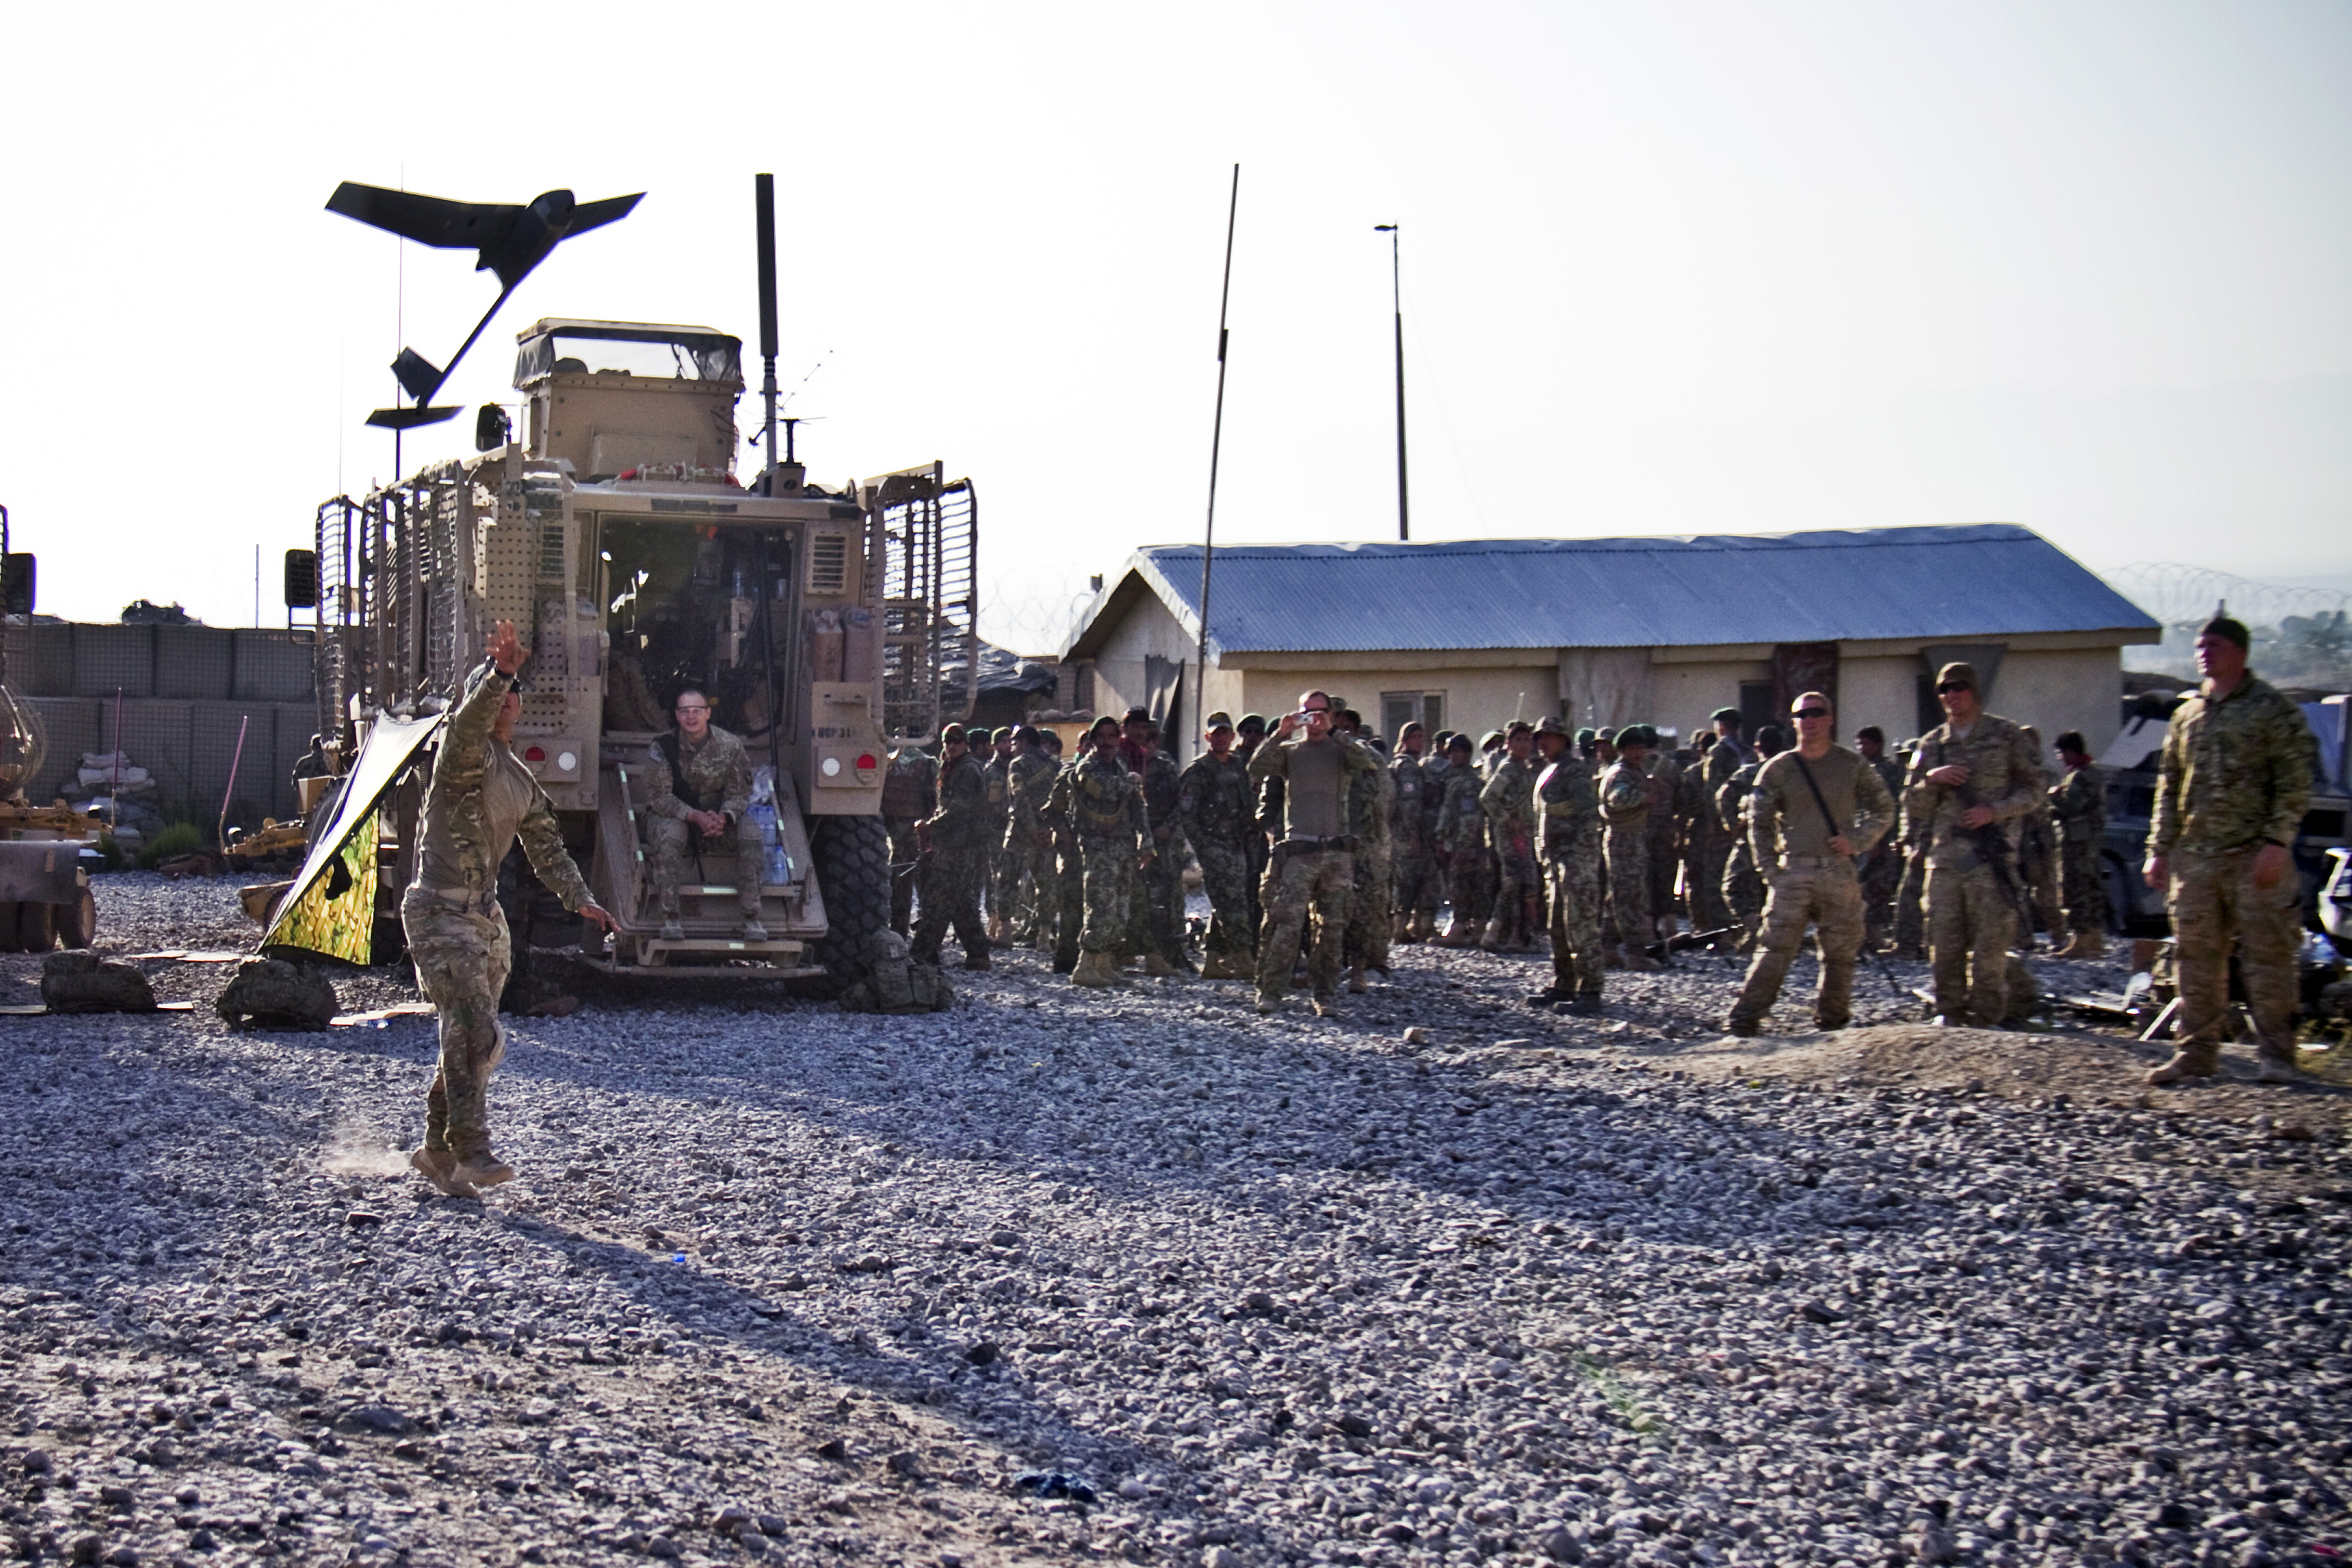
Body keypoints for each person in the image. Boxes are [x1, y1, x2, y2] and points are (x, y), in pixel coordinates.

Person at [407, 621, 616, 1196]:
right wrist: (498, 673)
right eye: (499, 690)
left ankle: (435, 1150)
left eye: (513, 691)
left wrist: (581, 899)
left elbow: (546, 848)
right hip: (437, 910)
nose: (506, 699)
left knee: (476, 1038)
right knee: (472, 1027)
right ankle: (471, 1150)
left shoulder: (520, 779)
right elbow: (469, 719)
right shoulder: (460, 756)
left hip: (485, 917)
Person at [2143, 616, 2320, 1085]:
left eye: (2215, 645)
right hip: (2196, 859)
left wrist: (2277, 843)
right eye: (2199, 646)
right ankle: (2195, 1054)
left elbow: (2295, 782)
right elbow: (2169, 785)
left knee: (2268, 958)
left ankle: (2277, 1058)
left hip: (2252, 855)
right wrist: (2159, 849)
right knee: (2194, 960)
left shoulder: (2272, 710)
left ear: (2240, 652)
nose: (2204, 653)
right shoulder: (2187, 715)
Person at [1723, 692, 1894, 1036]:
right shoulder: (1779, 768)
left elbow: (1884, 808)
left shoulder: (1852, 765)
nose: (1810, 720)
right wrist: (1770, 870)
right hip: (1794, 871)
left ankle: (1832, 1020)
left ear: (1830, 719)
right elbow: (1758, 821)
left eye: (1817, 713)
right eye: (1802, 715)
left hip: (1838, 870)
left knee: (1840, 952)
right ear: (1794, 722)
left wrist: (1857, 840)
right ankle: (1745, 1018)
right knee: (1774, 948)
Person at [1902, 662, 2043, 1028]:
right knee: (1943, 940)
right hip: (1945, 860)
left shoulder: (2006, 736)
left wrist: (1994, 812)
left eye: (1959, 687)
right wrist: (1932, 780)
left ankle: (1985, 1017)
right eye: (1944, 689)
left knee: (1990, 944)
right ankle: (1949, 1011)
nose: (1952, 695)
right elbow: (1913, 804)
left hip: (1989, 858)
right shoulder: (1932, 745)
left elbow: (2035, 789)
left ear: (1975, 691)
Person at [1246, 690, 1381, 1017]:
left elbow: (1368, 762)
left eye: (1321, 712)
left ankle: (1325, 994)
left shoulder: (1342, 751)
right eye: (1308, 711)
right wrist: (1281, 734)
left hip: (1336, 851)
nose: (1315, 718)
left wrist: (1335, 733)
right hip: (1299, 850)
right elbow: (1256, 768)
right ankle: (1271, 991)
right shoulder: (1290, 752)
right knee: (1286, 924)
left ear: (1332, 715)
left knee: (1332, 928)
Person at [639, 688, 764, 942]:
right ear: (677, 715)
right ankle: (671, 916)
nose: (691, 717)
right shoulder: (663, 746)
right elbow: (659, 797)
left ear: (708, 713)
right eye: (685, 711)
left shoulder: (730, 745)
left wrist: (725, 817)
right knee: (672, 834)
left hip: (716, 820)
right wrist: (695, 816)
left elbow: (740, 793)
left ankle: (751, 917)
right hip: (673, 817)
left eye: (697, 710)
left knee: (751, 832)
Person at [1047, 717, 1153, 987]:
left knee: (1120, 910)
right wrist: (1131, 781)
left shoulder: (1119, 766)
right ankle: (1084, 965)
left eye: (1111, 736)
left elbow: (1136, 806)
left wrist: (1146, 842)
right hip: (1097, 846)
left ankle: (1103, 962)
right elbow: (1105, 791)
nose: (1107, 742)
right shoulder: (1087, 768)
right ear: (1094, 740)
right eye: (1102, 736)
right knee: (1100, 906)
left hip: (1123, 846)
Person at [1528, 717, 1606, 1014]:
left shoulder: (1574, 771)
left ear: (1564, 739)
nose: (1543, 742)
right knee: (1557, 926)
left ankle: (1590, 989)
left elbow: (1588, 815)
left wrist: (1579, 858)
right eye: (1540, 737)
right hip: (1555, 859)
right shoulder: (1549, 770)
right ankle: (1565, 983)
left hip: (1575, 859)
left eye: (1550, 736)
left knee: (1580, 923)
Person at [1178, 711, 1257, 979]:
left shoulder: (1238, 767)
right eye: (1216, 734)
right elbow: (1186, 813)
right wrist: (1203, 847)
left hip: (1236, 843)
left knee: (1226, 900)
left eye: (1225, 733)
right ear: (1207, 737)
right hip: (1213, 845)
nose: (1221, 738)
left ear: (1232, 736)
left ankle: (1213, 961)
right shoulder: (1198, 771)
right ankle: (1243, 958)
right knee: (1233, 902)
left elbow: (1248, 804)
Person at [911, 723, 992, 970]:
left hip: (964, 846)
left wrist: (930, 827)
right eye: (948, 742)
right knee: (962, 902)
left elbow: (958, 810)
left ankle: (921, 953)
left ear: (965, 744)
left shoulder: (968, 770)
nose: (952, 746)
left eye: (957, 741)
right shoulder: (950, 767)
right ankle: (978, 954)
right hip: (953, 844)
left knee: (938, 898)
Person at [1123, 719, 1187, 976]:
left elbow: (1182, 802)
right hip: (1133, 840)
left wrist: (1168, 827)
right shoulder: (1125, 762)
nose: (1148, 745)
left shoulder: (1166, 767)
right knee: (1135, 896)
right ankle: (1128, 949)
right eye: (1144, 740)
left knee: (1168, 896)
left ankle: (1170, 952)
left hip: (1163, 839)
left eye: (1152, 740)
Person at [1718, 724, 1784, 953]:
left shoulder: (1750, 773)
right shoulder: (1791, 774)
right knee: (1774, 888)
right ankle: (1772, 935)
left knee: (1733, 886)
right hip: (1785, 840)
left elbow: (1724, 795)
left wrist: (1732, 825)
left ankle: (1755, 929)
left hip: (1753, 838)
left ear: (1757, 747)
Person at [1599, 725, 1660, 971]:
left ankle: (1608, 948)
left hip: (1632, 837)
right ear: (1622, 750)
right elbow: (1617, 798)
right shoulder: (1621, 774)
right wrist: (1643, 796)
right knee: (1631, 896)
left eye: (1641, 748)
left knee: (1618, 895)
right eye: (1633, 749)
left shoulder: (1634, 771)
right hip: (1623, 839)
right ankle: (1636, 953)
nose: (1638, 753)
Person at [1479, 722, 1543, 951]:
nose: (1524, 745)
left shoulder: (1524, 769)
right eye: (1518, 740)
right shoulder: (1507, 769)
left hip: (1525, 834)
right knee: (1513, 883)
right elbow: (1487, 797)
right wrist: (1508, 820)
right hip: (1510, 835)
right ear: (1508, 744)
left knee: (1525, 884)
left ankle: (1518, 935)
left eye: (1527, 740)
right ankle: (1498, 934)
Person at [2048, 730, 2109, 960]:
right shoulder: (2093, 773)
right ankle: (2094, 938)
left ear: (2071, 752)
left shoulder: (2079, 776)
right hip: (2089, 841)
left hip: (2077, 843)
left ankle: (2081, 940)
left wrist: (2053, 797)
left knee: (2076, 888)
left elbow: (2071, 807)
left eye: (2061, 754)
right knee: (2092, 887)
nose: (2060, 759)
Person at [1003, 726, 1060, 950]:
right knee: (1047, 885)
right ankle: (1044, 937)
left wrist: (1031, 829)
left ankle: (1005, 933)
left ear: (1024, 742)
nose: (1013, 747)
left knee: (1007, 880)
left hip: (1021, 833)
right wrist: (1049, 828)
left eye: (1015, 742)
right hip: (1048, 832)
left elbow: (1019, 799)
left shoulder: (1018, 764)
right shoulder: (1055, 764)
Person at [1434, 733, 1491, 947]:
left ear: (1467, 754)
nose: (1453, 756)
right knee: (1468, 885)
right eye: (1451, 752)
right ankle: (1475, 928)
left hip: (1466, 844)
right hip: (1457, 841)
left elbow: (1470, 817)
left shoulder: (1468, 783)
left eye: (1458, 752)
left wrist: (1463, 846)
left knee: (1463, 886)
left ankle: (1462, 929)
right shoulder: (1452, 779)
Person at [1389, 722, 1442, 943]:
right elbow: (1409, 803)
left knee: (1422, 879)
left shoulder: (1410, 765)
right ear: (1405, 740)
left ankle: (1419, 926)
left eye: (1422, 737)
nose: (1420, 741)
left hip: (1412, 833)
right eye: (1415, 737)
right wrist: (1413, 834)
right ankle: (1400, 929)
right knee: (1409, 882)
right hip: (1408, 835)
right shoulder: (1408, 767)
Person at [1854, 725, 1905, 952]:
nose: (1861, 749)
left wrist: (1876, 840)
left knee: (1878, 887)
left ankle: (1875, 935)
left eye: (1866, 744)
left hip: (1880, 839)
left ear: (1878, 745)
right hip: (1863, 838)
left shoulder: (1884, 772)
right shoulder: (1863, 770)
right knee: (1862, 887)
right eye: (1859, 744)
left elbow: (1885, 809)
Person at [880, 741, 938, 936]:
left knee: (899, 885)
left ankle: (897, 932)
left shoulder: (885, 760)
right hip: (920, 832)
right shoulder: (927, 762)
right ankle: (924, 934)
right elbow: (932, 800)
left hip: (892, 833)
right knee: (924, 885)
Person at [2016, 724, 2063, 945]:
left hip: (2038, 837)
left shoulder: (2041, 771)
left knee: (2044, 891)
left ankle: (2058, 933)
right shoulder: (2017, 769)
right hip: (2021, 836)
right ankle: (2023, 937)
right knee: (2017, 889)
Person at [982, 726, 1017, 943]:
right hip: (995, 831)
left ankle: (1007, 921)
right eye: (1003, 741)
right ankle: (995, 921)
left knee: (1012, 877)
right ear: (995, 746)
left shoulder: (1017, 768)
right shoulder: (989, 772)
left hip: (1015, 831)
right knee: (996, 877)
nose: (1008, 746)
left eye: (1010, 741)